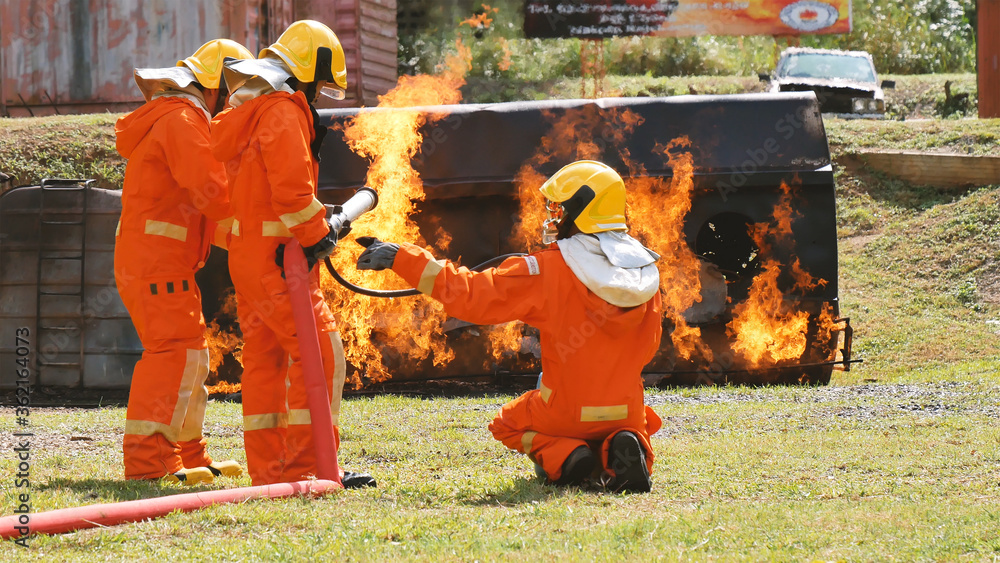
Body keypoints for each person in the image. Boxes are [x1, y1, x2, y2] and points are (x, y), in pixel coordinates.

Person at [356, 160, 664, 492]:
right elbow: (648, 348)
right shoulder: (645, 272)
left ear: (580, 210)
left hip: (563, 410)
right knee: (625, 422)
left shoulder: (548, 268)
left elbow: (472, 295)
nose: (553, 216)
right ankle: (621, 444)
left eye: (559, 208)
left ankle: (567, 454)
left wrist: (403, 257)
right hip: (626, 409)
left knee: (507, 424)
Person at [211, 20, 374, 488]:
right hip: (280, 260)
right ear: (306, 72)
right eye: (320, 85)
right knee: (320, 356)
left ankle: (270, 473)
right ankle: (309, 469)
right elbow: (290, 190)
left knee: (265, 363)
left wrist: (313, 224)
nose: (319, 95)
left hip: (253, 256)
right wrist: (315, 232)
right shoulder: (282, 111)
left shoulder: (252, 110)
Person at [115, 39, 254, 484]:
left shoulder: (176, 118)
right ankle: (149, 462)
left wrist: (261, 240)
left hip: (162, 264)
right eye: (229, 94)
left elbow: (207, 214)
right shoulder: (182, 119)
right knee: (173, 355)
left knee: (192, 357)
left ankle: (188, 454)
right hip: (159, 265)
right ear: (213, 88)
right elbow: (214, 192)